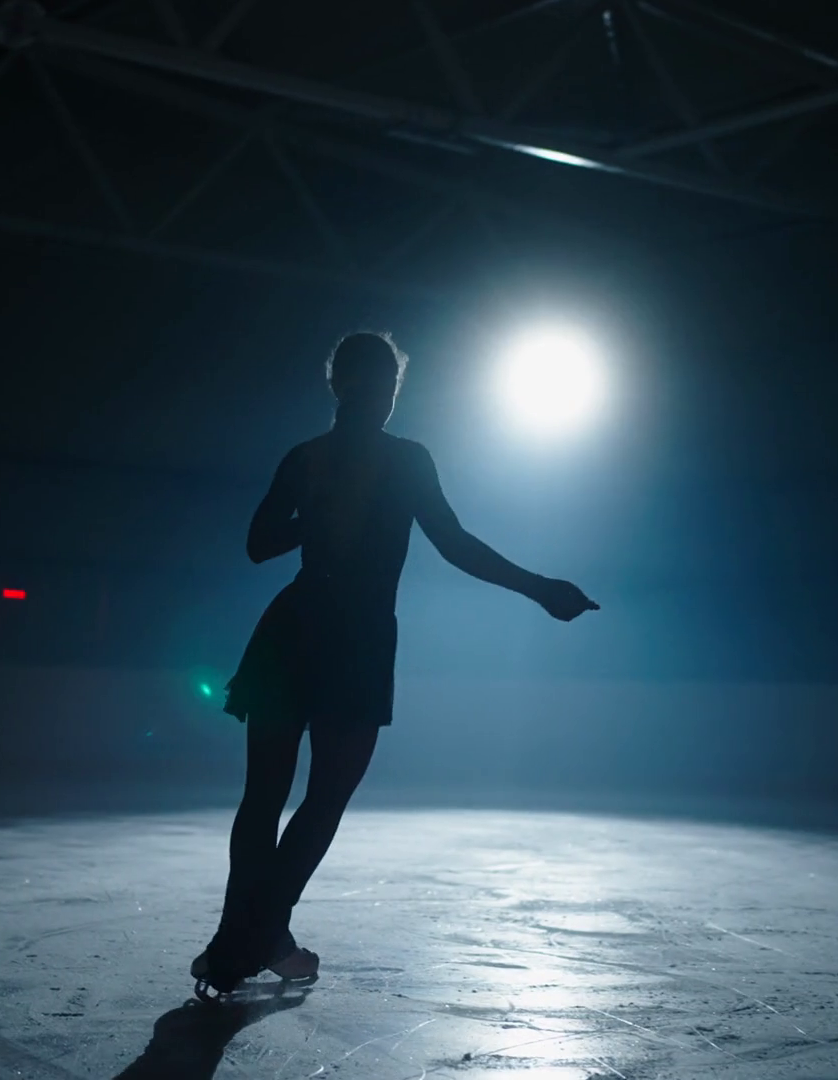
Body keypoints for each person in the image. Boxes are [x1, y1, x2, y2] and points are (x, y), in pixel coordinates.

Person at [192, 331, 598, 996]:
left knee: (264, 798)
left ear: (336, 384)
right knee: (323, 798)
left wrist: (312, 517)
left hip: (293, 631)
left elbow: (259, 544)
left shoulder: (305, 458)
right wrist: (539, 588)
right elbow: (454, 544)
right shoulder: (405, 460)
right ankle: (249, 941)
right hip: (353, 641)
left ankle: (248, 939)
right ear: (386, 390)